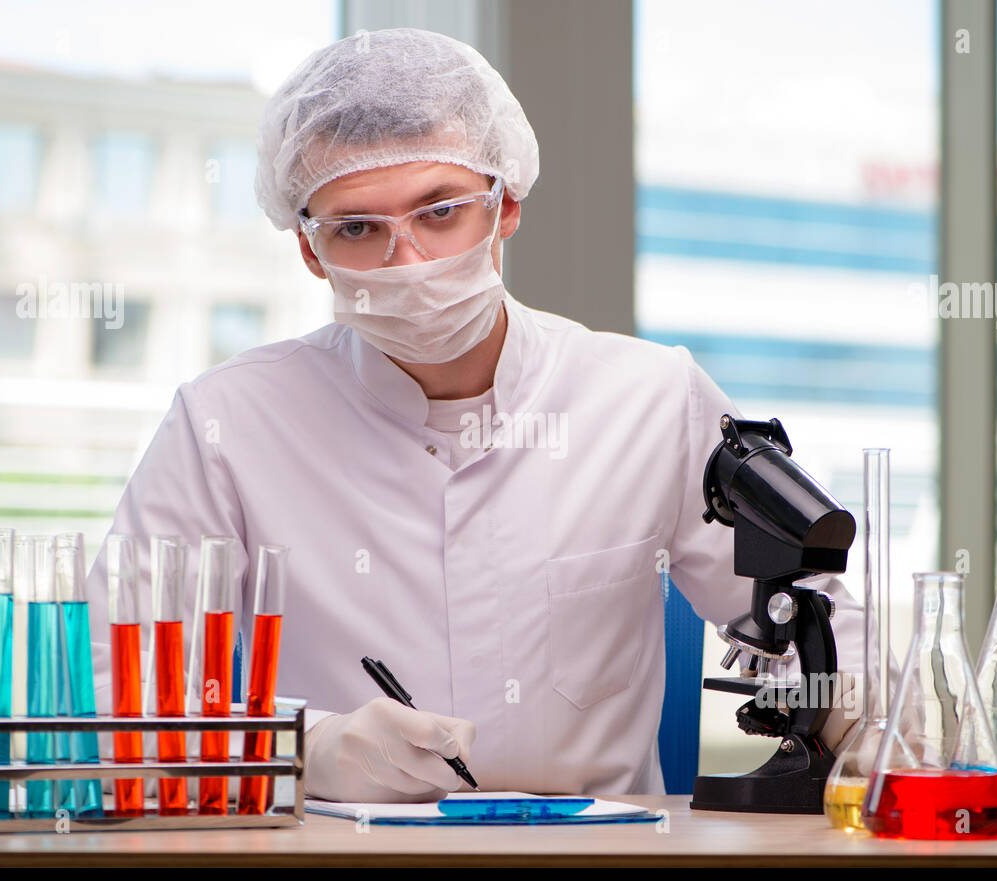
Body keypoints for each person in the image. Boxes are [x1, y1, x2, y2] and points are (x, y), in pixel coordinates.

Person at [85, 26, 863, 803]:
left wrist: (865, 722)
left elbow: (820, 618)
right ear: (309, 251)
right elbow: (112, 694)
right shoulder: (226, 424)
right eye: (358, 228)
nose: (409, 261)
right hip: (331, 861)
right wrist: (302, 747)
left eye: (441, 211)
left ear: (506, 205)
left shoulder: (651, 400)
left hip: (597, 865)